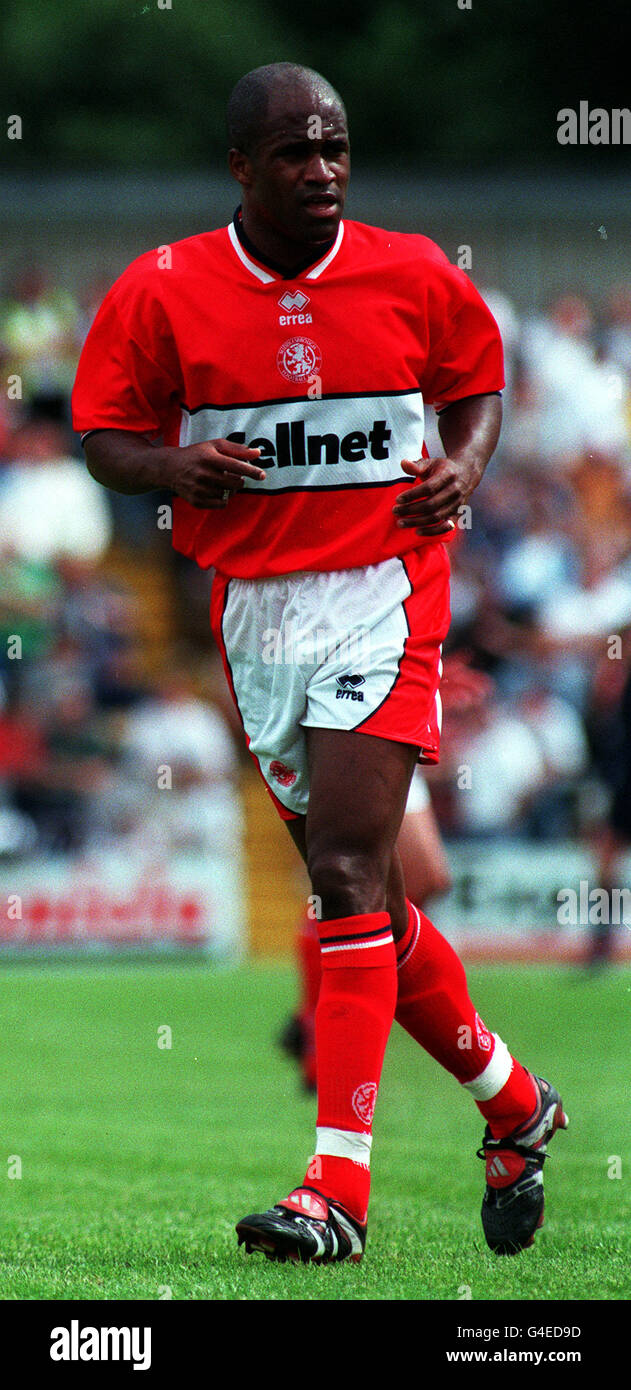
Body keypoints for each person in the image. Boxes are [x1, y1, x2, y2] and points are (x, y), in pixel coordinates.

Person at [72, 62, 567, 1266]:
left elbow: (478, 384)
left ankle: (333, 1192)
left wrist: (466, 463)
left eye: (336, 148)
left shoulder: (409, 269)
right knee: (369, 908)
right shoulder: (166, 288)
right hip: (256, 615)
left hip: (386, 593)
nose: (323, 171)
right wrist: (167, 471)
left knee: (347, 872)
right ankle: (515, 1105)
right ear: (242, 166)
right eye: (296, 153)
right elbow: (101, 433)